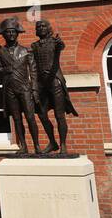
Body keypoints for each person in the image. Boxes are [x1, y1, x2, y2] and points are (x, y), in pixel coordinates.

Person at [0, 17, 43, 156]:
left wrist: (34, 89)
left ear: (17, 33)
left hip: (24, 88)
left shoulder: (27, 51)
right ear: (3, 34)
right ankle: (23, 146)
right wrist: (5, 70)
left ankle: (37, 146)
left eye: (13, 32)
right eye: (8, 32)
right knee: (16, 118)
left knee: (30, 117)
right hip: (9, 89)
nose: (10, 34)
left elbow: (33, 72)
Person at [32, 19, 78, 155]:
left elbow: (61, 46)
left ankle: (63, 145)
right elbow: (33, 67)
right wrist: (34, 86)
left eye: (43, 26)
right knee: (41, 114)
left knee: (59, 115)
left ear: (48, 28)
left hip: (55, 82)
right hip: (42, 84)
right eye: (38, 26)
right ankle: (52, 142)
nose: (40, 28)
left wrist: (60, 43)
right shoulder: (34, 46)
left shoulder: (55, 42)